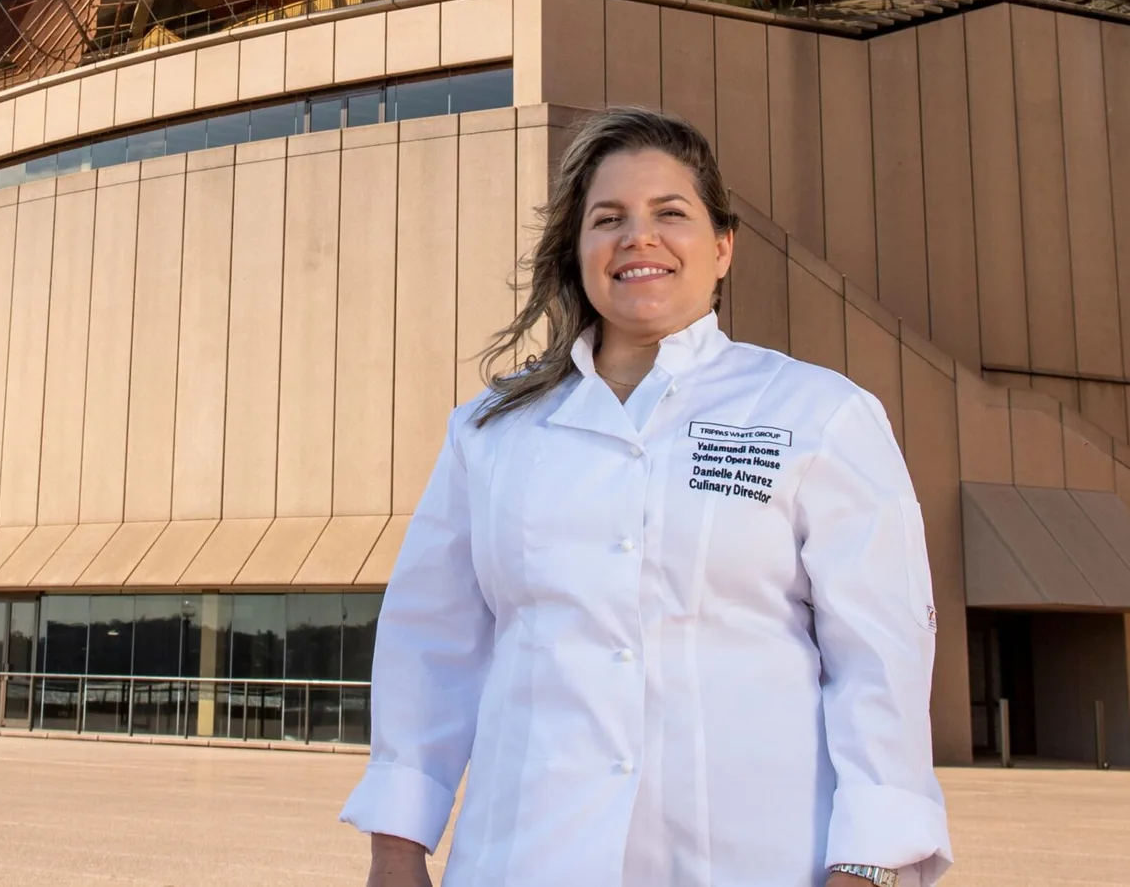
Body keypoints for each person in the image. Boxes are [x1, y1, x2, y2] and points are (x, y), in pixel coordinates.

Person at [341, 106, 951, 887]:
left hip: (754, 861)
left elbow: (881, 656)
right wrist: (397, 847)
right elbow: (430, 646)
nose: (639, 238)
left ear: (723, 247)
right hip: (523, 857)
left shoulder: (818, 414)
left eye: (671, 213)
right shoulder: (490, 432)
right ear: (578, 251)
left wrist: (868, 863)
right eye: (608, 219)